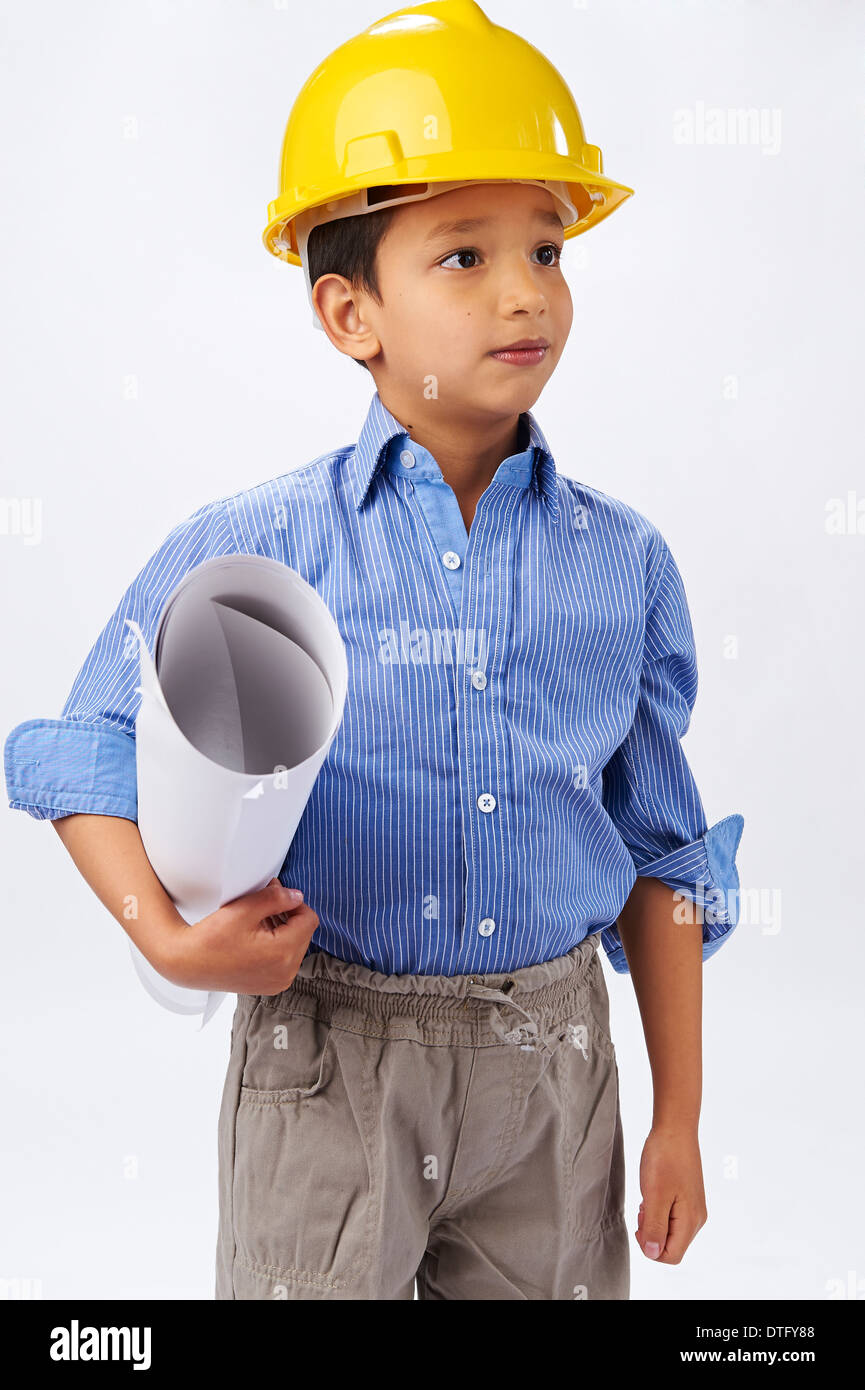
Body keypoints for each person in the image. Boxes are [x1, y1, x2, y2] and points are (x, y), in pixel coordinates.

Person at [3, 0, 744, 1300]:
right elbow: (85, 753)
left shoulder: (620, 564)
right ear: (350, 313)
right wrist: (169, 939)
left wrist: (676, 1115)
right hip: (327, 1068)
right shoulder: (249, 548)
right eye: (463, 255)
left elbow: (661, 858)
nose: (526, 290)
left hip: (553, 1073)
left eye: (547, 247)